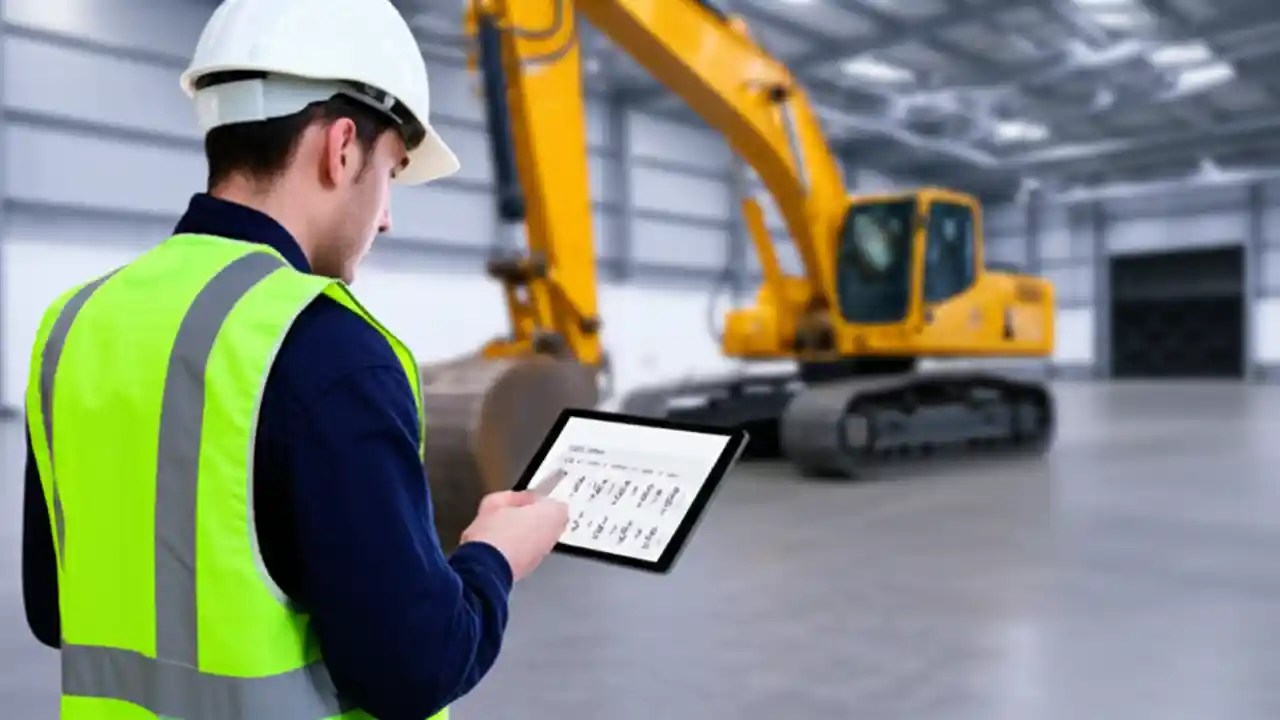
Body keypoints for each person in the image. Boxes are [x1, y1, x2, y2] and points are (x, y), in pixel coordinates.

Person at [19, 0, 569, 718]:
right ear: (342, 148)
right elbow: (415, 668)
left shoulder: (77, 323)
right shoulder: (326, 349)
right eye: (391, 173)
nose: (386, 217)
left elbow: (53, 607)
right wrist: (494, 556)